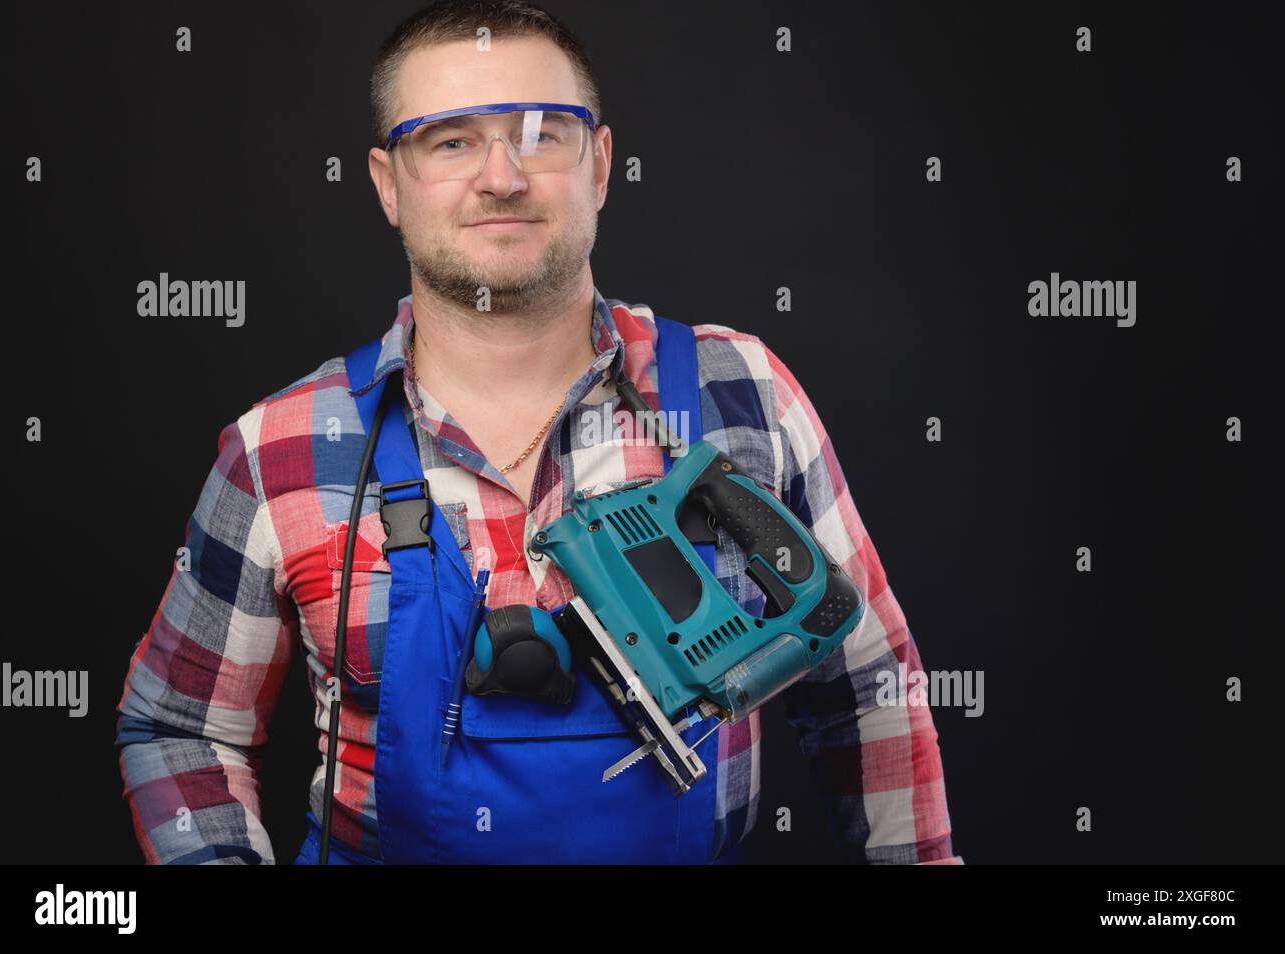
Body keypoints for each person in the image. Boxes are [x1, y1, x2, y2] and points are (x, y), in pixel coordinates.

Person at [113, 0, 962, 865]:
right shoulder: (282, 449)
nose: (502, 177)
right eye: (450, 140)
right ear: (386, 183)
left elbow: (869, 692)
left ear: (598, 165)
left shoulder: (739, 395)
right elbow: (181, 727)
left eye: (542, 132)